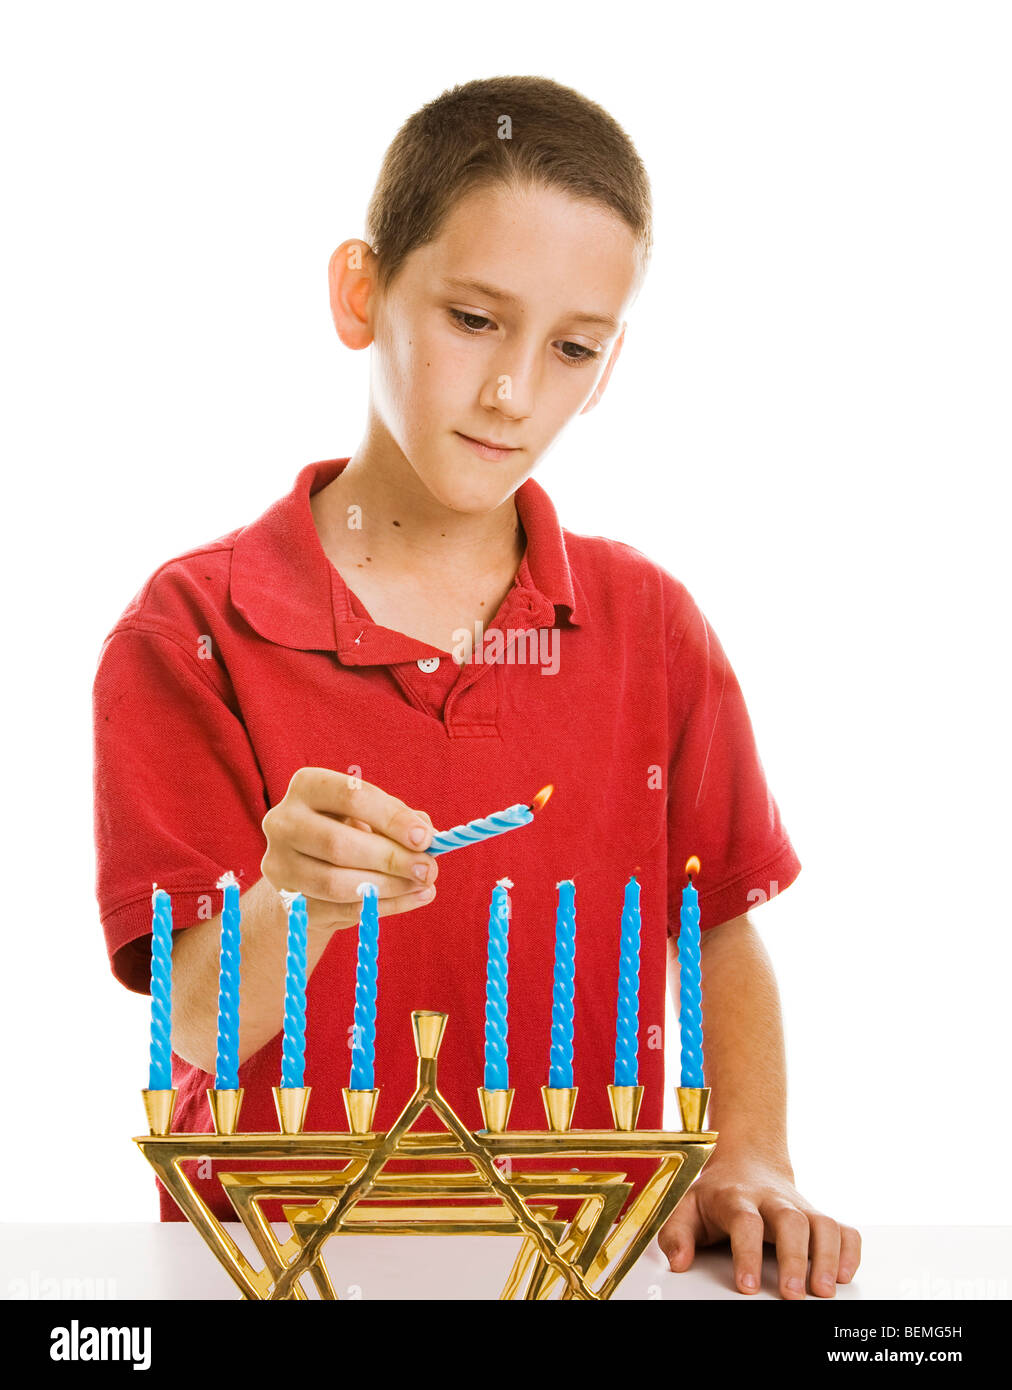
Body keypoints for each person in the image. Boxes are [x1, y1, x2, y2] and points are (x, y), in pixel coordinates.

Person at [92, 74, 860, 1299]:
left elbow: (714, 915)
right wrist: (294, 905)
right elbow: (193, 1023)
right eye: (471, 319)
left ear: (607, 367)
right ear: (362, 290)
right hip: (276, 1260)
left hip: (585, 1261)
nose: (513, 391)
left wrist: (749, 1154)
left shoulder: (649, 628)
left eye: (570, 347)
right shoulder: (191, 630)